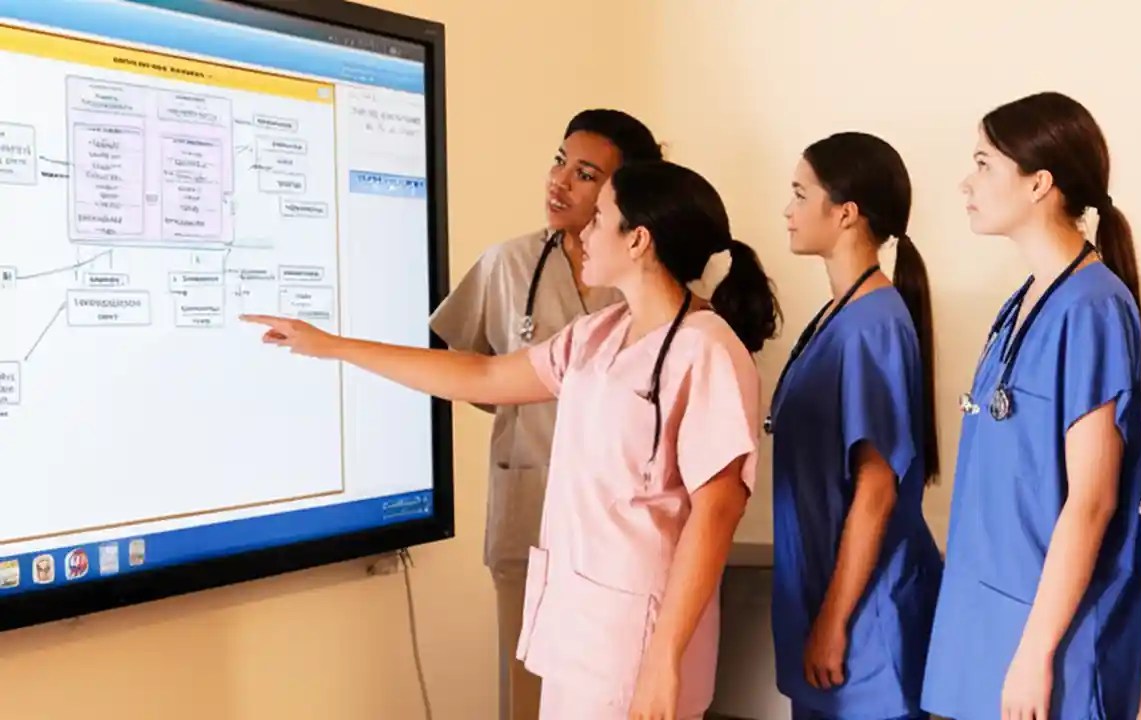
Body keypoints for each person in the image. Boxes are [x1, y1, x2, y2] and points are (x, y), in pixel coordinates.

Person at [242, 159, 781, 719]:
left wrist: (665, 660)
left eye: (599, 218)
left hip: (642, 640)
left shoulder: (706, 349)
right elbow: (484, 375)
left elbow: (717, 512)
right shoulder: (599, 334)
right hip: (581, 634)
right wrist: (334, 346)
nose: (584, 232)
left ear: (638, 240)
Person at [427, 108, 662, 719]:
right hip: (527, 511)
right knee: (527, 696)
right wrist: (516, 407)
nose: (559, 182)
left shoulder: (644, 274)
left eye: (585, 174)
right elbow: (463, 361)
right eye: (559, 162)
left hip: (619, 530)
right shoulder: (508, 264)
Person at [920, 91, 1141, 720]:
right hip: (988, 624)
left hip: (1047, 643)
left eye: (983, 164)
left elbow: (1092, 500)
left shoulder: (1093, 307)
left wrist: (1035, 654)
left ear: (1038, 183)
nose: (966, 183)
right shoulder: (1024, 303)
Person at [769, 132, 942, 720]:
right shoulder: (840, 315)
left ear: (845, 212)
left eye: (800, 194)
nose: (787, 210)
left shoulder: (874, 325)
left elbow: (877, 488)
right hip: (832, 607)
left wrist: (833, 622)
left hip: (864, 627)